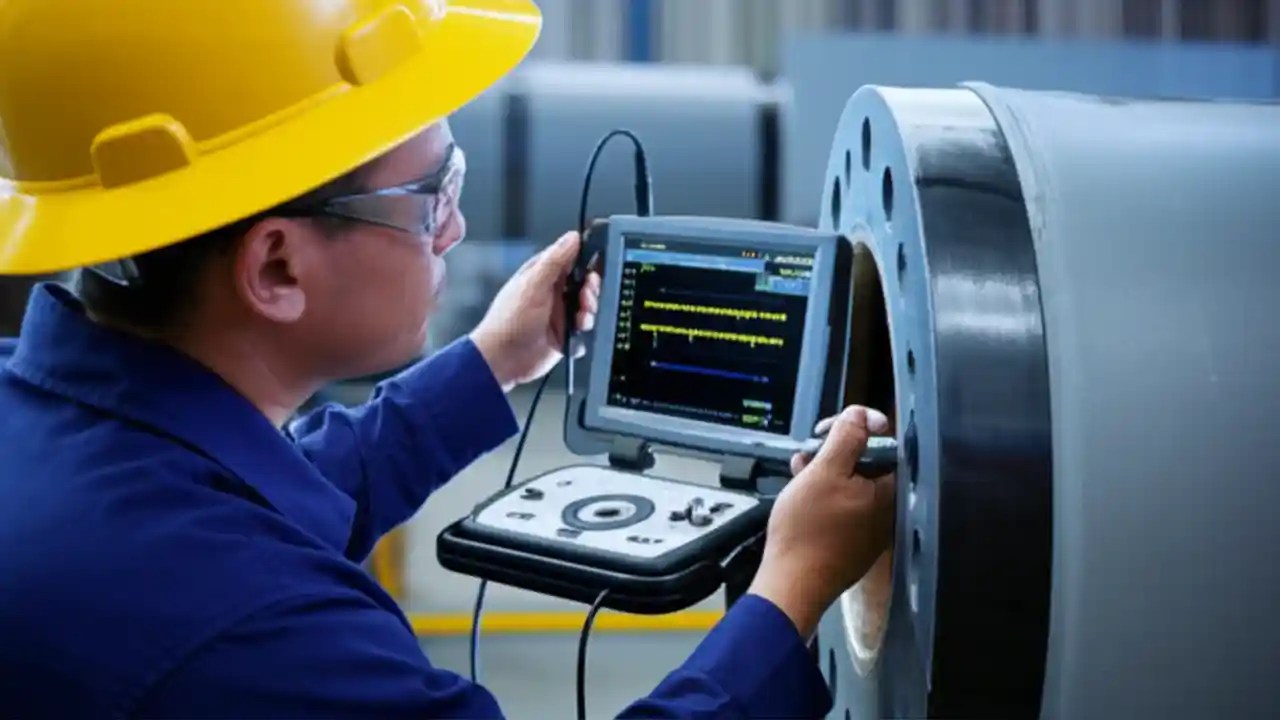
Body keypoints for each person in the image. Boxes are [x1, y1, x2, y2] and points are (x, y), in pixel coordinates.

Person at [0, 1, 897, 717]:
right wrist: (789, 591)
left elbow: (263, 499)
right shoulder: (256, 634)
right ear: (276, 265)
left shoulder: (52, 424)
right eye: (432, 195)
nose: (454, 228)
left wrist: (492, 360)